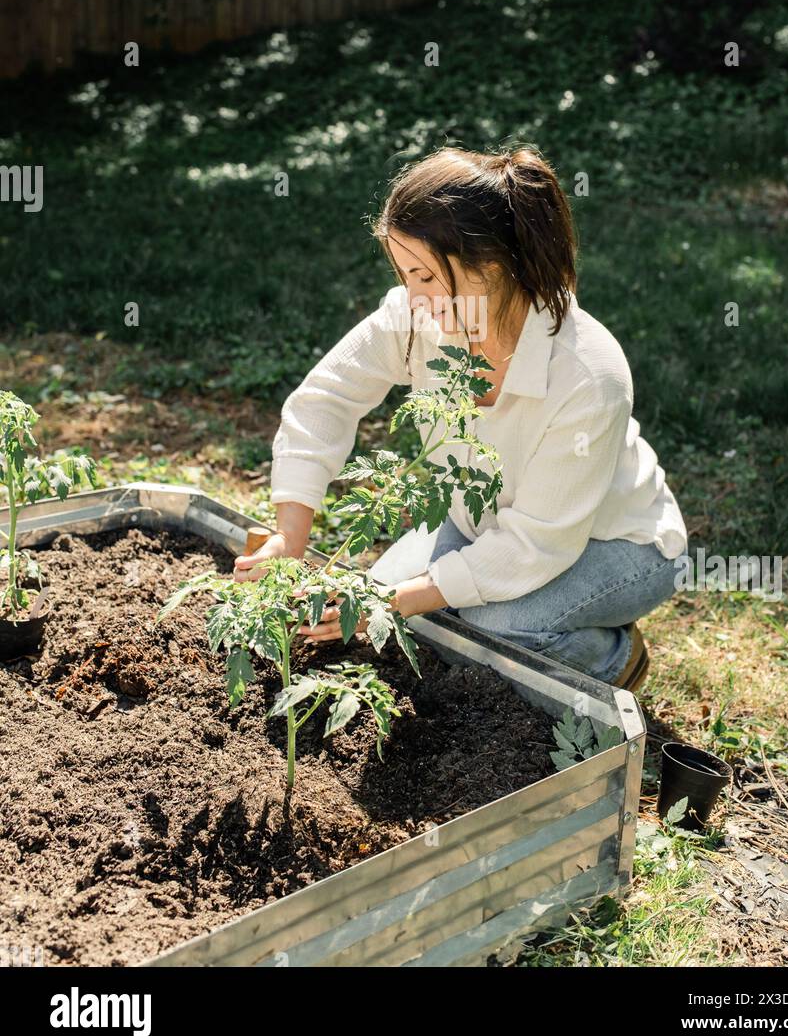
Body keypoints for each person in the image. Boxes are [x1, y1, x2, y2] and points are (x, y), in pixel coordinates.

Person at [234, 145, 688, 692]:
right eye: (405, 275)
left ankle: (611, 658)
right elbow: (326, 399)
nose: (411, 297)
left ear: (488, 268)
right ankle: (532, 629)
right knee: (384, 613)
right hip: (485, 523)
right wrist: (291, 535)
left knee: (492, 625)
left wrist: (405, 599)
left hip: (618, 546)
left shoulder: (587, 375)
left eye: (424, 275)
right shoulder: (419, 317)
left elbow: (536, 545)